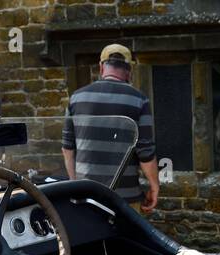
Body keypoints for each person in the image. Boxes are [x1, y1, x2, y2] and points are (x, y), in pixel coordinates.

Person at [62, 43, 159, 213]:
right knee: (126, 240)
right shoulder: (139, 100)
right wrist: (154, 186)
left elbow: (67, 148)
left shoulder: (76, 98)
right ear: (129, 70)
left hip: (87, 196)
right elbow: (145, 152)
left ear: (101, 67)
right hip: (125, 199)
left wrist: (74, 184)